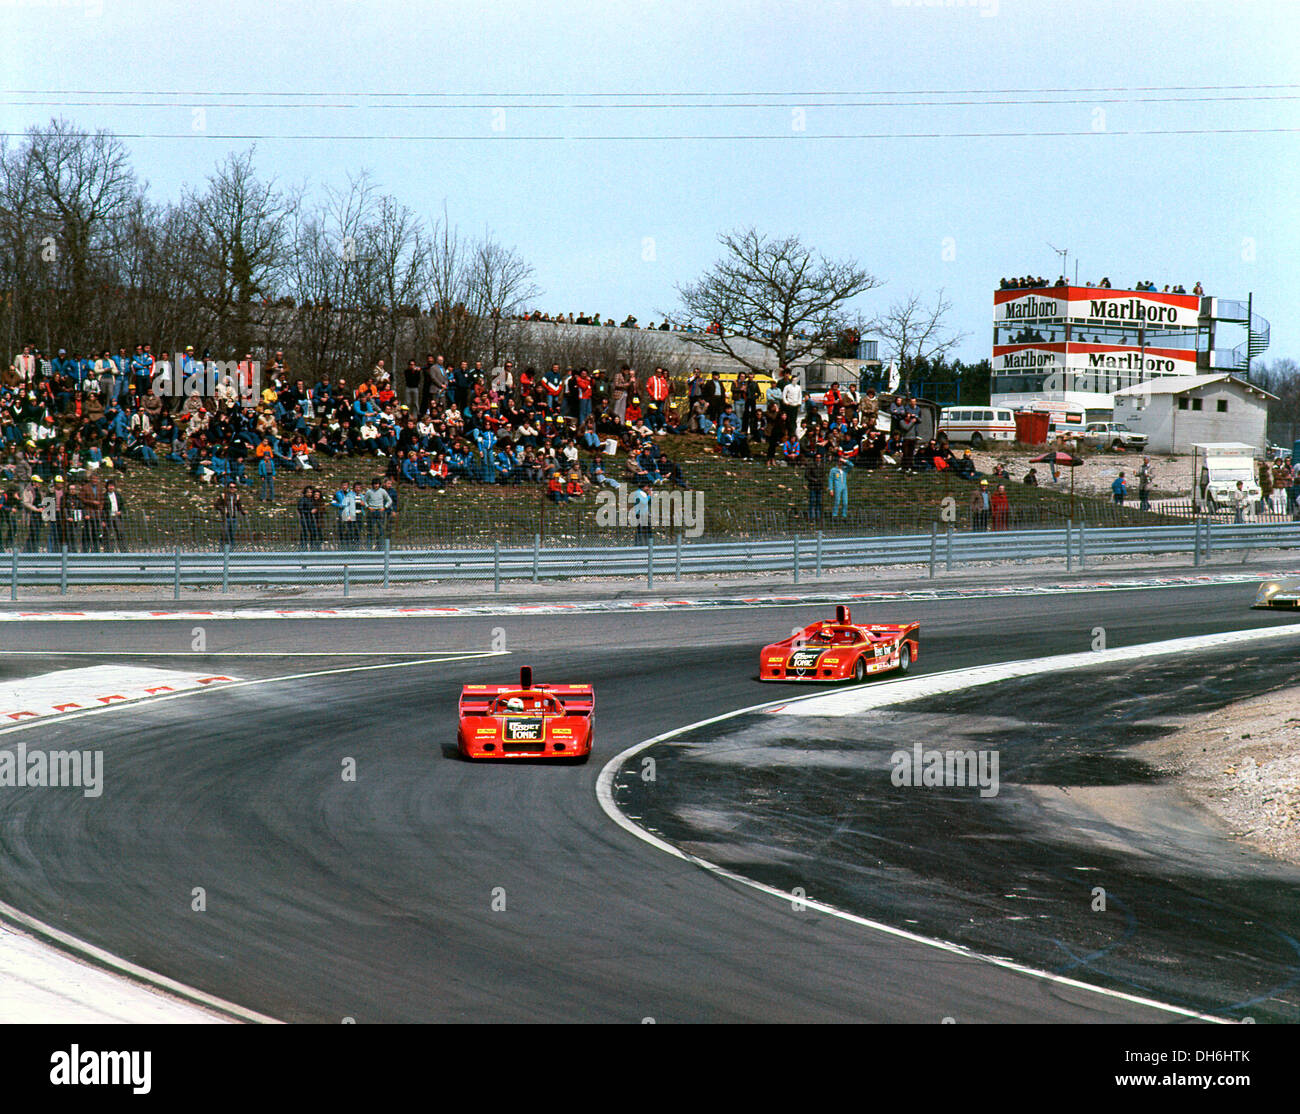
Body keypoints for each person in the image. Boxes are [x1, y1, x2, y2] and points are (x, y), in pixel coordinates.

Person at [215, 481, 245, 548]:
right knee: (224, 534)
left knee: (232, 534)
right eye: (231, 487)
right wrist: (223, 510)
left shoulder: (237, 496)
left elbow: (239, 506)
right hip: (226, 517)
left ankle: (232, 548)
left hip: (234, 517)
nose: (232, 489)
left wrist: (243, 512)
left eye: (234, 487)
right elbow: (217, 505)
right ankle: (222, 548)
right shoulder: (223, 496)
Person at [805, 451, 825, 521]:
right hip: (813, 486)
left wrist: (820, 480)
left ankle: (818, 516)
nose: (818, 459)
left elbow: (824, 475)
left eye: (819, 458)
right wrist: (813, 479)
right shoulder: (810, 465)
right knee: (812, 501)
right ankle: (811, 516)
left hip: (820, 486)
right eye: (817, 458)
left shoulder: (822, 465)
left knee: (819, 502)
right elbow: (807, 475)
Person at [632, 479, 652, 545]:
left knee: (646, 530)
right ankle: (641, 544)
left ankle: (647, 544)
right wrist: (649, 496)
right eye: (648, 486)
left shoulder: (643, 493)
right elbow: (643, 502)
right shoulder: (638, 493)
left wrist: (650, 496)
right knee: (642, 530)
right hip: (641, 514)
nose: (648, 488)